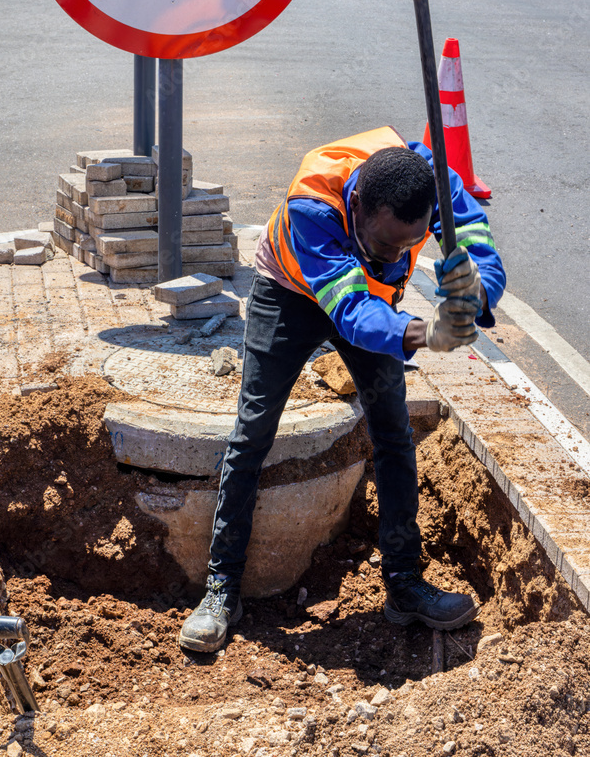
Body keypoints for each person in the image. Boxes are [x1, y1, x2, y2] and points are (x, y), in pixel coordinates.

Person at [179, 127, 505, 653]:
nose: (392, 258)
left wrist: (477, 289)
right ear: (357, 206)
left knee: (394, 435)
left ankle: (404, 587)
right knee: (253, 430)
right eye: (382, 244)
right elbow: (351, 311)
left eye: (408, 246)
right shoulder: (314, 205)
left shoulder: (427, 181)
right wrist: (420, 331)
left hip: (369, 304)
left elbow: (473, 234)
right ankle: (221, 589)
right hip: (290, 292)